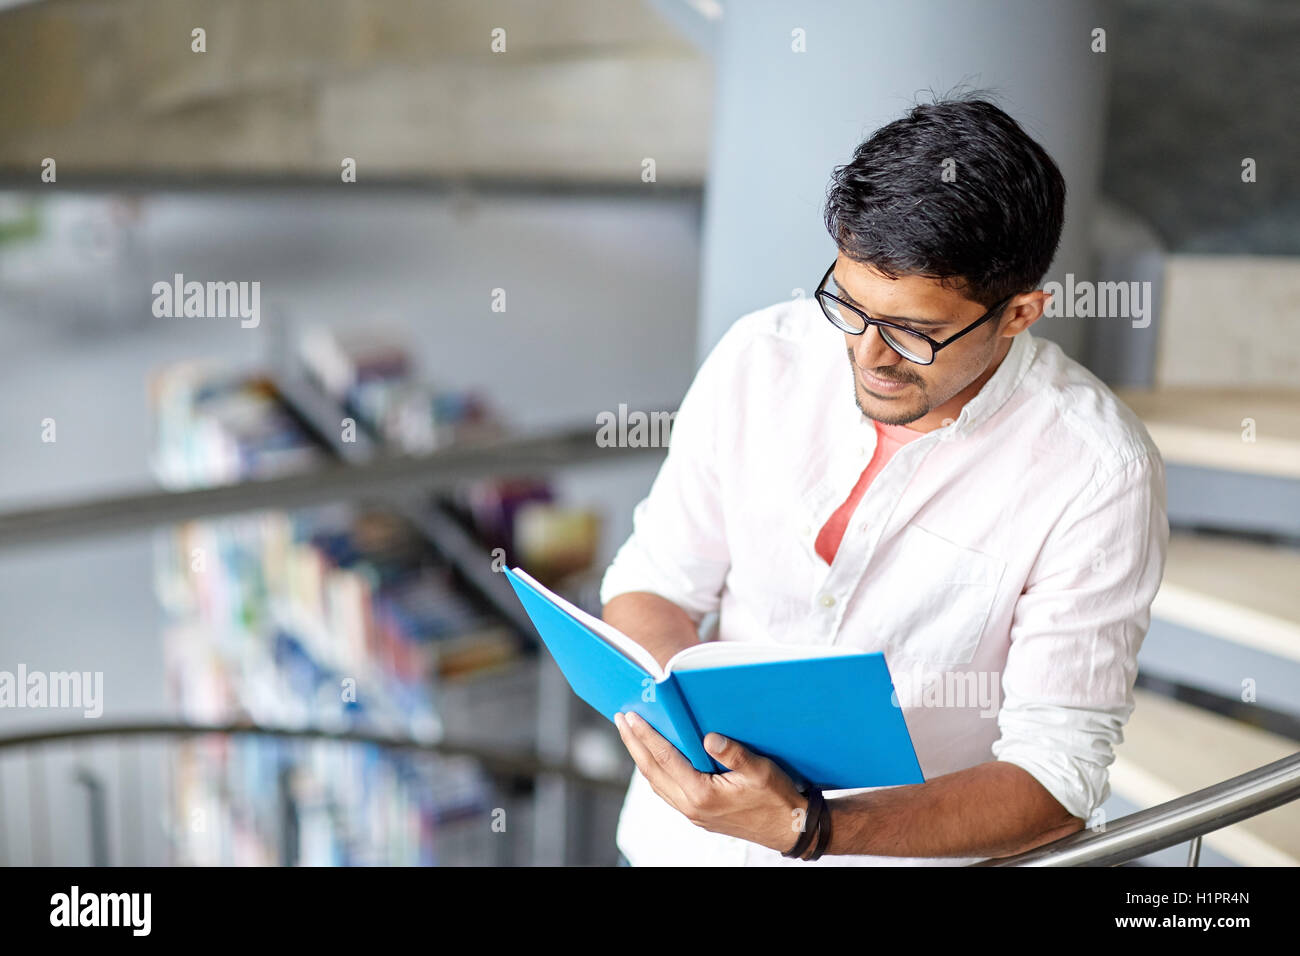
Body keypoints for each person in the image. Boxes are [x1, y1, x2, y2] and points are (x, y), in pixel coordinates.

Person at [599, 95, 1168, 866]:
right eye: (849, 305)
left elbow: (1056, 779)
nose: (868, 354)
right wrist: (695, 741)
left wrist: (812, 828)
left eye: (914, 331)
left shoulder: (1097, 471)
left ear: (1020, 313)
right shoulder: (762, 356)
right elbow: (654, 584)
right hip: (676, 847)